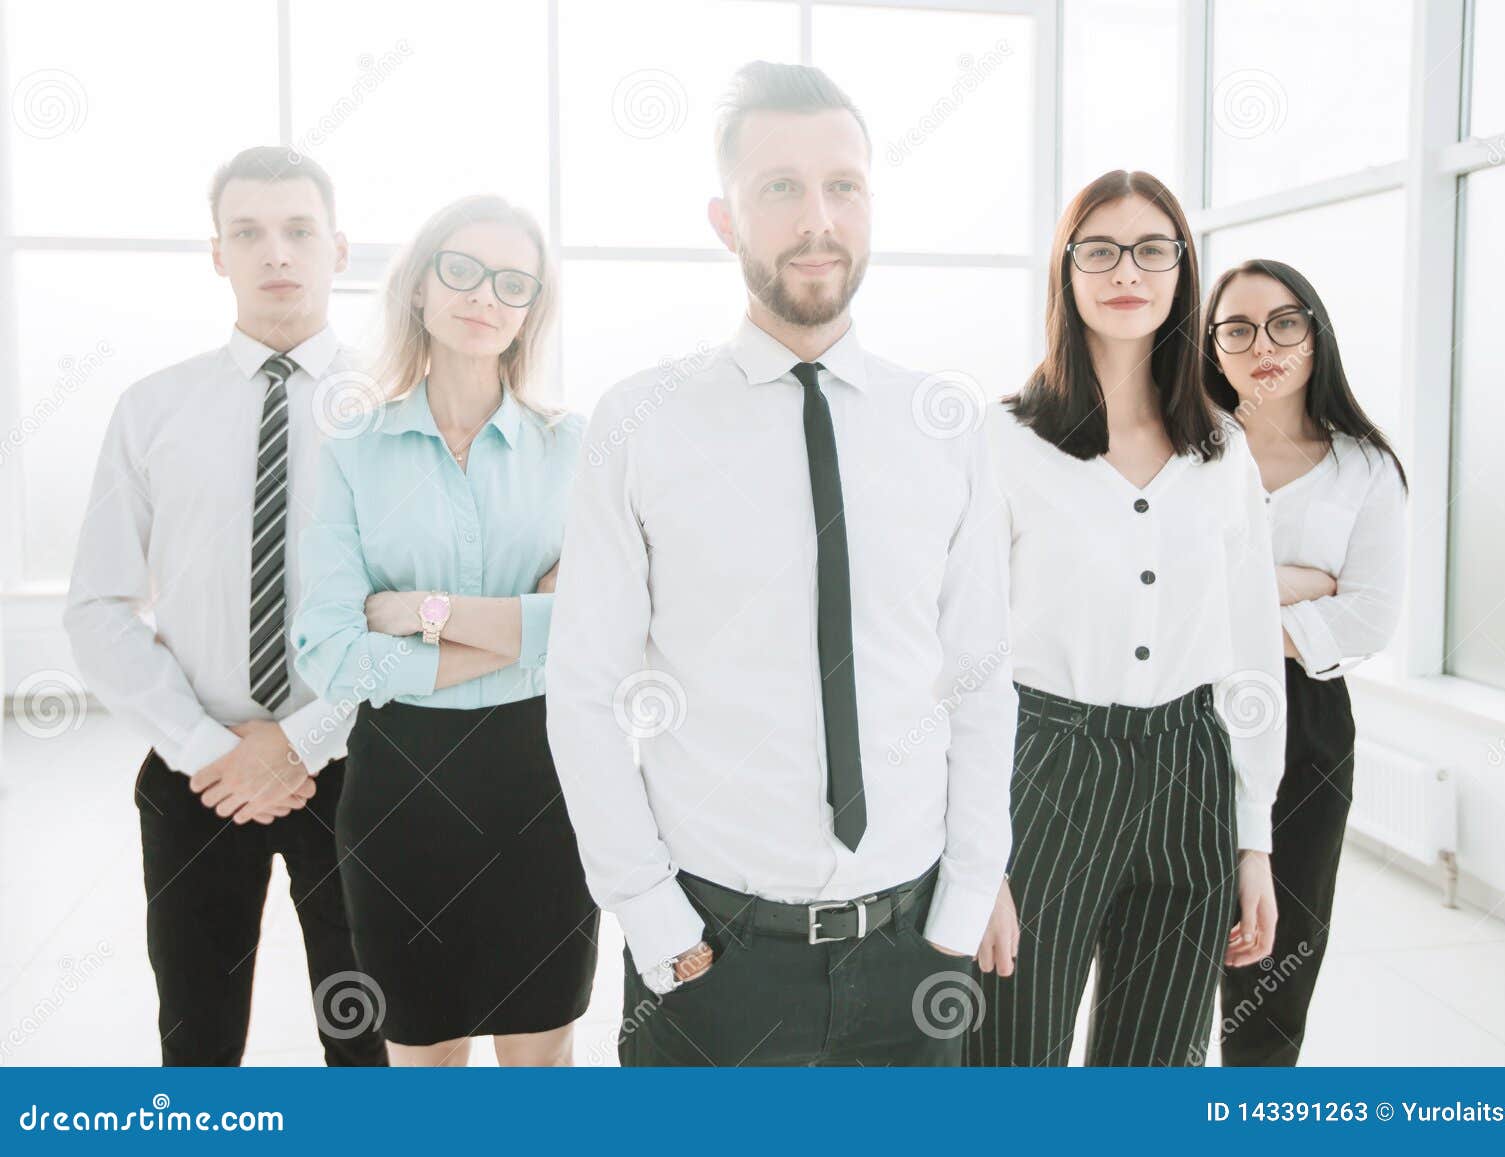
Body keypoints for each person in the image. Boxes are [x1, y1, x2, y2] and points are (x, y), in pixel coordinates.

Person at [545, 61, 1017, 1067]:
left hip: (912, 945)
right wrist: (650, 913)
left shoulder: (943, 424)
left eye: (843, 185)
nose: (818, 219)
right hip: (712, 955)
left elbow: (979, 673)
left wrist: (969, 892)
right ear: (725, 219)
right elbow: (584, 689)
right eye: (780, 188)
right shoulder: (641, 421)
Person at [62, 146, 385, 1067]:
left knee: (372, 1047)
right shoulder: (152, 408)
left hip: (360, 767)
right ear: (217, 254)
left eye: (299, 230)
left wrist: (305, 737)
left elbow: (417, 611)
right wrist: (208, 747)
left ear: (339, 249)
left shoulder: (400, 405)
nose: (275, 251)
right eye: (248, 232)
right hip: (195, 774)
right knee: (197, 1046)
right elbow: (97, 605)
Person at [967, 170, 1286, 1067]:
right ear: (1065, 270)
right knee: (1008, 1056)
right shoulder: (1001, 442)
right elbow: (961, 654)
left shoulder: (1223, 452)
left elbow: (1252, 652)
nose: (1127, 271)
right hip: (1045, 766)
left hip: (1191, 767)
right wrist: (973, 855)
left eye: (1152, 249)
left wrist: (1252, 839)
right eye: (1100, 250)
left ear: (1183, 270)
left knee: (1159, 1069)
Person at [292, 195, 598, 1066]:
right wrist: (527, 632)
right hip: (402, 796)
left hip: (545, 785)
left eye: (513, 282)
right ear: (420, 286)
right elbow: (331, 655)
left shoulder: (573, 448)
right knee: (426, 1069)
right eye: (461, 269)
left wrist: (427, 614)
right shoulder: (353, 449)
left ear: (531, 308)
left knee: (542, 1069)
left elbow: (603, 629)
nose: (484, 295)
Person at [1203, 258, 1408, 1066]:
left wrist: (1229, 604)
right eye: (1238, 329)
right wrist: (1294, 584)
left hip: (1306, 722)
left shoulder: (1366, 467)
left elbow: (1368, 616)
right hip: (1178, 705)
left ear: (1315, 336)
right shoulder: (1183, 450)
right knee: (1165, 949)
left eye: (1285, 323)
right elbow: (1149, 594)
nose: (1264, 346)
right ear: (1210, 347)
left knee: (1275, 957)